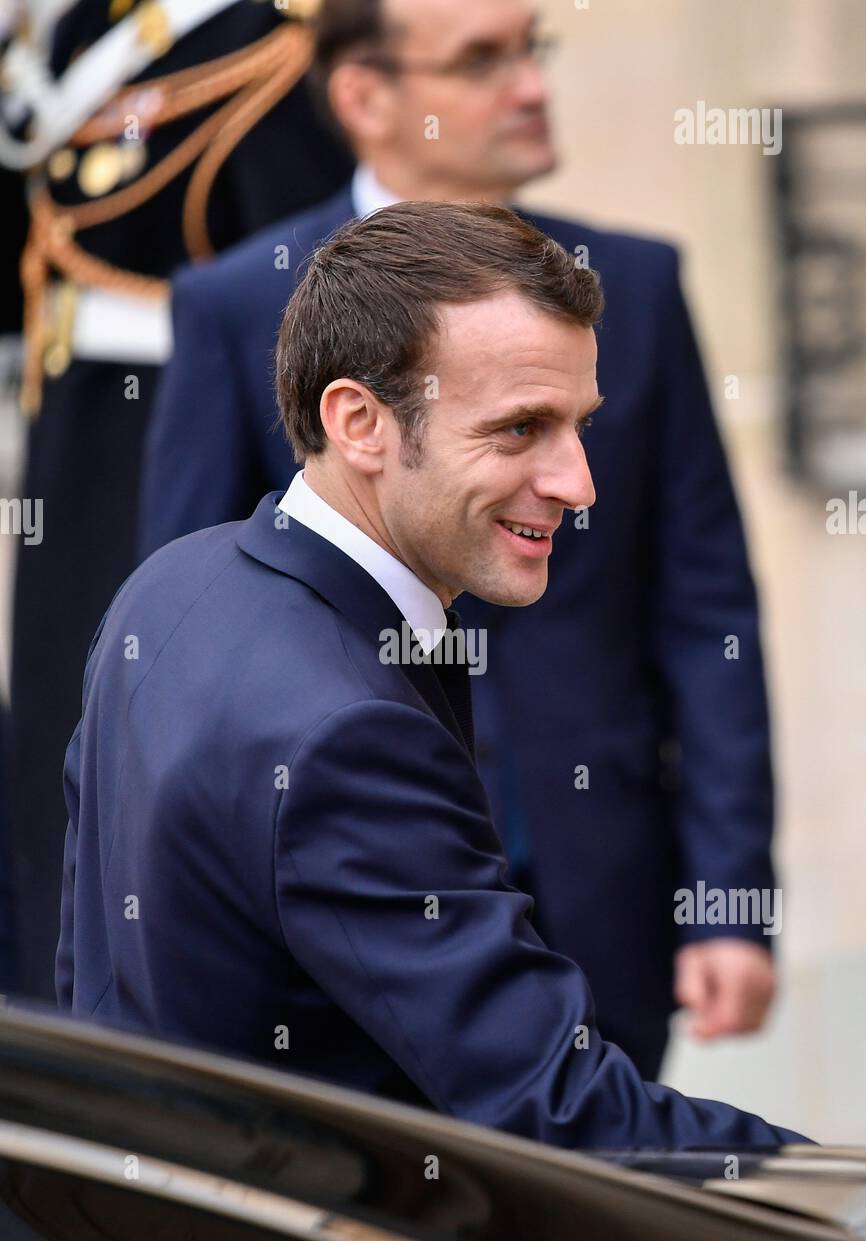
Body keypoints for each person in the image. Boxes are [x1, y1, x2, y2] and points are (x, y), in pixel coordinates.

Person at [59, 202, 811, 1150]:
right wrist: (828, 1202)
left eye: (579, 426)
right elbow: (560, 1110)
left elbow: (88, 970)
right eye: (520, 429)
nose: (578, 483)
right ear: (360, 422)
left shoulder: (164, 590)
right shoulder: (347, 733)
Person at [138, 0, 778, 1080]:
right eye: (481, 59)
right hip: (339, 909)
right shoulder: (237, 301)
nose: (528, 83)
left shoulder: (641, 284)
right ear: (363, 96)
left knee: (601, 1206)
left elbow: (704, 607)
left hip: (595, 874)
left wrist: (728, 897)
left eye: (532, 47)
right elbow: (196, 631)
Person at [5, 0, 353, 999]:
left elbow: (311, 316)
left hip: (181, 456)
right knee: (61, 757)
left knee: (160, 760)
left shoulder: (265, 44)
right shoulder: (66, 45)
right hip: (71, 459)